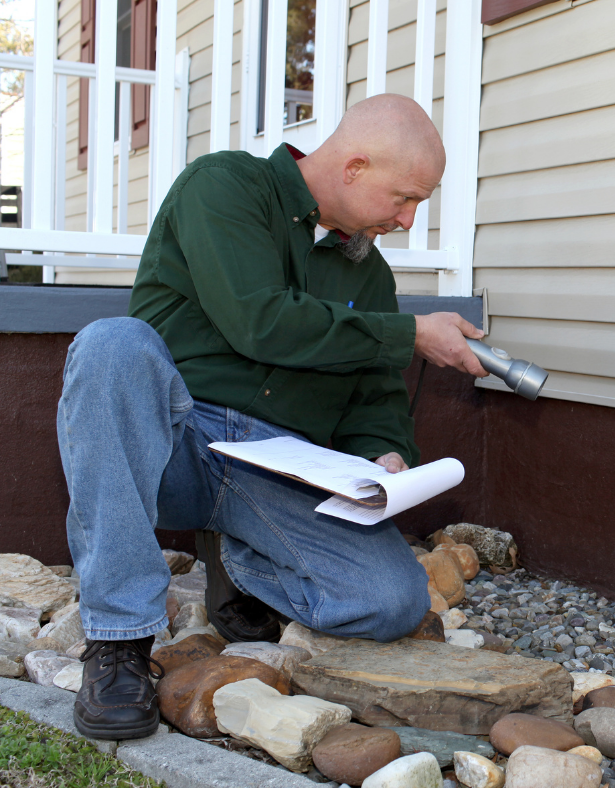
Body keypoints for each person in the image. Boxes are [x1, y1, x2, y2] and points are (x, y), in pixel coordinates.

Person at [57, 94, 486, 741]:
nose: (407, 219)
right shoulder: (225, 186)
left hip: (274, 467)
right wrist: (411, 334)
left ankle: (242, 568)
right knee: (111, 344)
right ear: (355, 167)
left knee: (392, 601)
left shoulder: (370, 275)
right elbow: (260, 320)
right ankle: (118, 642)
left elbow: (376, 397)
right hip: (175, 445)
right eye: (405, 198)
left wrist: (386, 454)